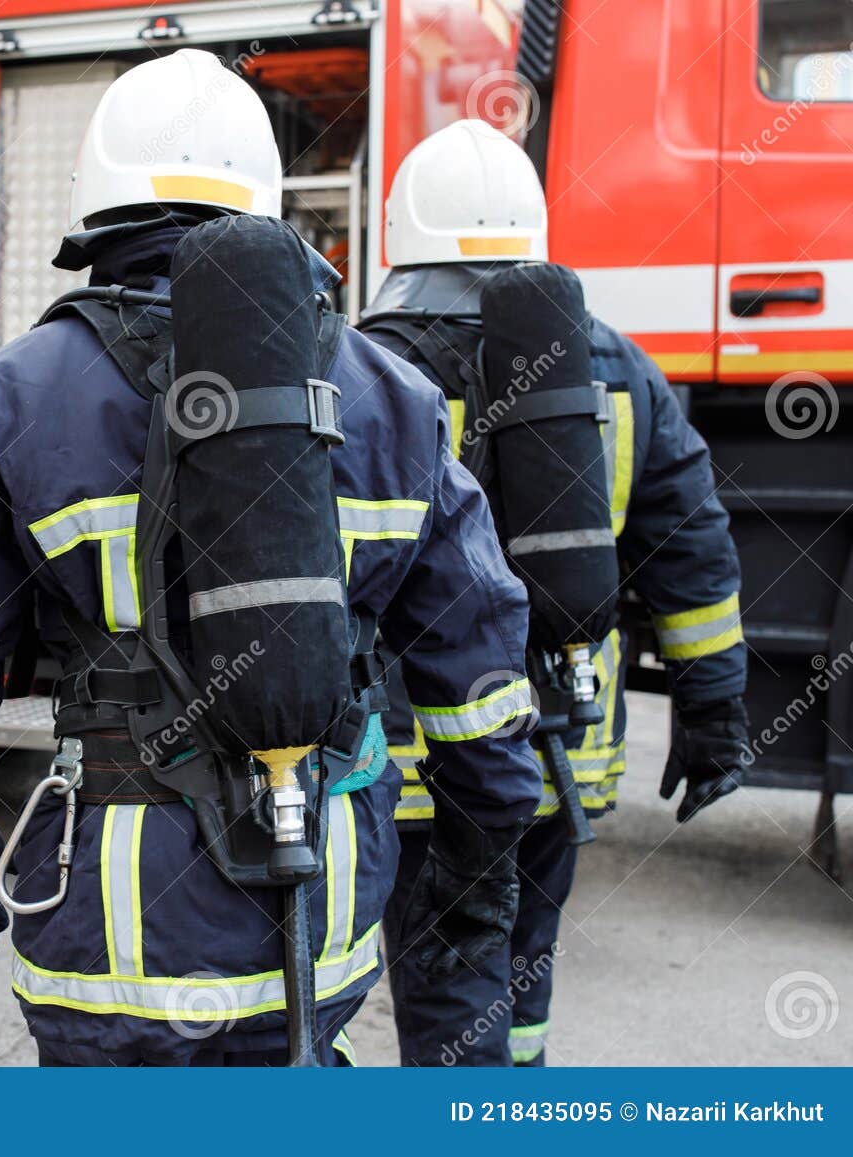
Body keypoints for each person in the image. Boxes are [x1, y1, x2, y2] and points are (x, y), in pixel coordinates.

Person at [0, 50, 542, 1067]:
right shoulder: (390, 395)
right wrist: (480, 859)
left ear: (96, 202)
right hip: (315, 914)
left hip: (108, 929)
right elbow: (477, 664)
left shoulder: (14, 393)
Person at [360, 119, 749, 1067]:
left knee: (443, 970)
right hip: (561, 748)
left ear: (400, 231)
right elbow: (690, 543)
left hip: (422, 759)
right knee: (521, 964)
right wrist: (715, 706)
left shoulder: (365, 367)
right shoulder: (613, 366)